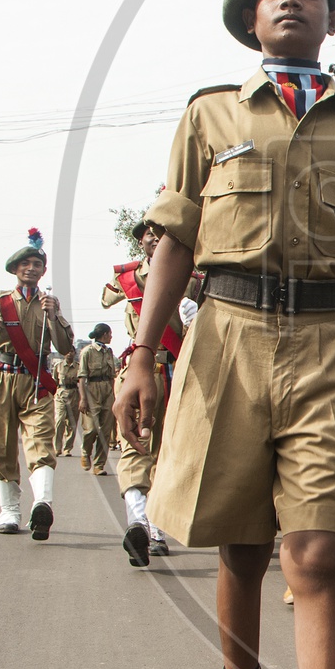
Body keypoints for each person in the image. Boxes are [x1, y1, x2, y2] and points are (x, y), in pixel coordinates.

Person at [116, 0, 335, 669]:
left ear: (333, 20)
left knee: (313, 554)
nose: (291, 2)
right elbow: (174, 241)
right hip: (228, 336)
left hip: (321, 343)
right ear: (251, 20)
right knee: (241, 548)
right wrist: (140, 356)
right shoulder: (210, 116)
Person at [103, 219, 200, 566]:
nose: (155, 240)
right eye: (149, 235)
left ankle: (155, 529)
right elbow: (105, 300)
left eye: (162, 235)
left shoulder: (195, 277)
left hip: (177, 371)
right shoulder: (127, 278)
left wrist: (196, 314)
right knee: (134, 446)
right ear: (140, 242)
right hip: (139, 370)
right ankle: (138, 523)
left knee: (166, 452)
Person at [0, 229, 72, 539]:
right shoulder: (0, 301)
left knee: (42, 441)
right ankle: (10, 510)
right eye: (26, 264)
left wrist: (54, 316)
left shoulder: (49, 303)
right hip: (4, 377)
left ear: (43, 271)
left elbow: (66, 346)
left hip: (36, 382)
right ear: (15, 270)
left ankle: (42, 503)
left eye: (37, 265)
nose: (31, 268)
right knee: (1, 444)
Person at [79, 324, 117, 476]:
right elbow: (81, 377)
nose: (111, 337)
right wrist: (83, 398)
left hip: (107, 390)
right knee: (91, 429)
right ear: (104, 334)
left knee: (106, 430)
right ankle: (85, 452)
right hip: (92, 391)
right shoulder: (87, 352)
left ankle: (99, 464)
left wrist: (113, 396)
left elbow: (112, 376)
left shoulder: (109, 352)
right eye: (110, 334)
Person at [50, 347, 80, 457]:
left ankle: (67, 448)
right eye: (67, 351)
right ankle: (57, 447)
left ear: (74, 353)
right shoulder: (58, 366)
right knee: (59, 420)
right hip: (61, 394)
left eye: (71, 351)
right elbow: (54, 381)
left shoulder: (78, 367)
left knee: (72, 423)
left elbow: (81, 382)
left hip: (74, 395)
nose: (69, 354)